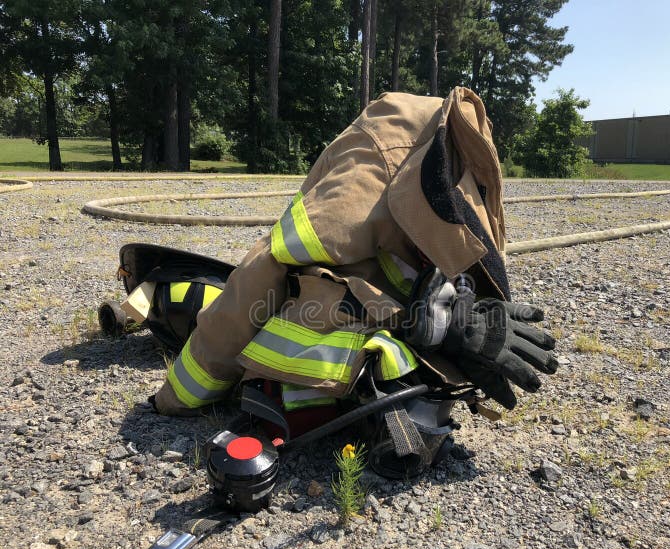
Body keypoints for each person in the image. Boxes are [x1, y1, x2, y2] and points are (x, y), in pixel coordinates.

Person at [152, 87, 557, 450]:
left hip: (370, 300)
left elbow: (454, 256)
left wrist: (460, 313)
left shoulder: (455, 156)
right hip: (328, 321)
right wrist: (180, 394)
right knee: (311, 296)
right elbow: (264, 276)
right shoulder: (372, 173)